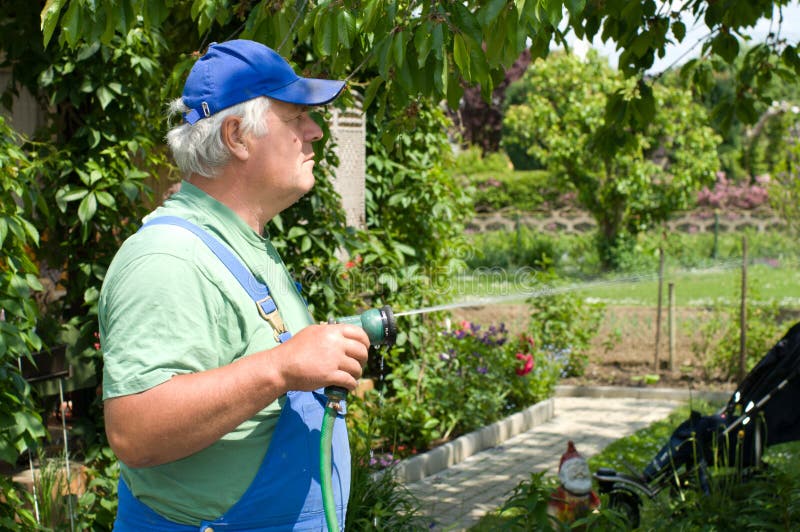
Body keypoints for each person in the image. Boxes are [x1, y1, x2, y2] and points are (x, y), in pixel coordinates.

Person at [99, 39, 370, 530]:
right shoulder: (166, 259)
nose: (315, 132)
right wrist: (283, 368)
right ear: (237, 137)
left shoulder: (240, 243)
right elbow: (134, 431)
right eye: (295, 118)